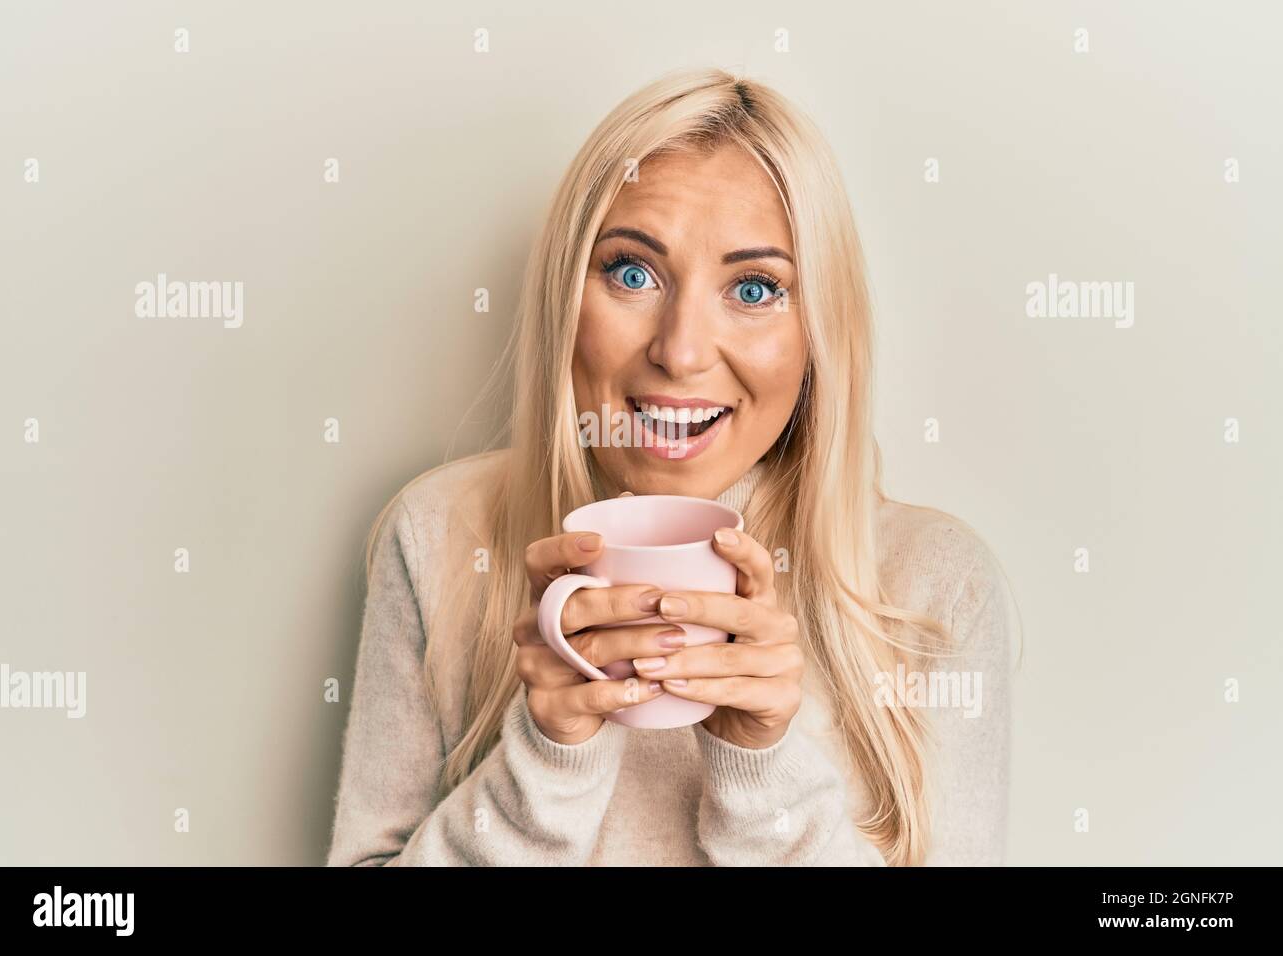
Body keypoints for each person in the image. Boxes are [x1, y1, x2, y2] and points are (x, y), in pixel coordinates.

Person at [326, 68, 1017, 867]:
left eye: (755, 287)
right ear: (564, 295)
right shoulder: (441, 534)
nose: (680, 352)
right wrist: (546, 761)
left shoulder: (935, 584)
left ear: (818, 336)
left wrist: (764, 770)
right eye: (632, 273)